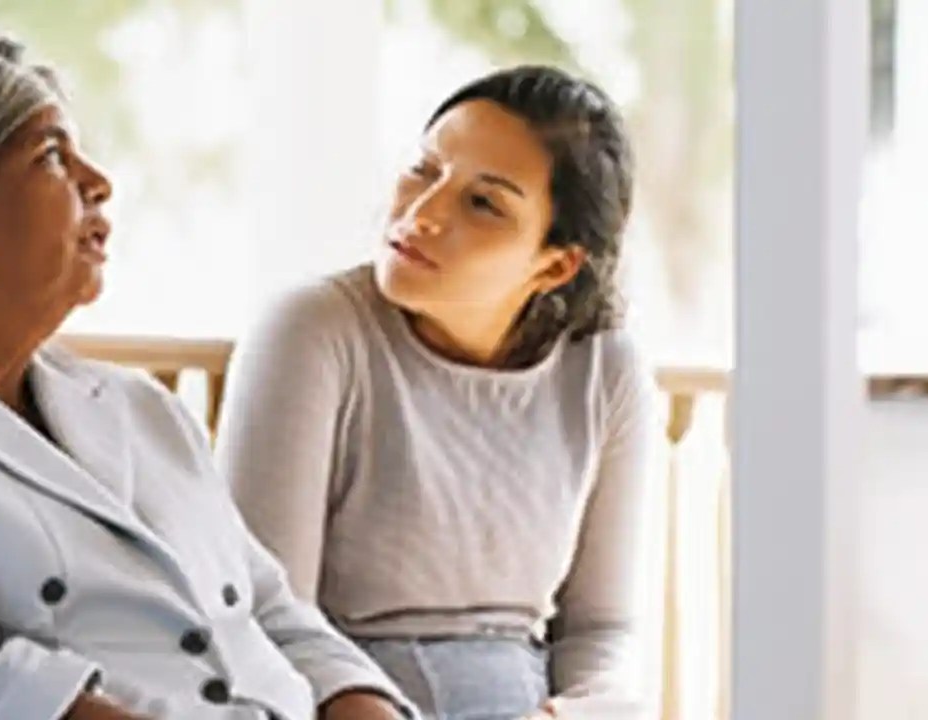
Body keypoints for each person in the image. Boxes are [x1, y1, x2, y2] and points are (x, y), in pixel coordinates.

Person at [0, 24, 412, 720]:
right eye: (51, 157)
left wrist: (363, 704)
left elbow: (272, 614)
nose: (99, 182)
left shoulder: (140, 407)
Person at [216, 66, 658, 720]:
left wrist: (576, 712)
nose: (420, 214)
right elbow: (266, 610)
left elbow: (601, 630)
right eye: (424, 169)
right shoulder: (313, 330)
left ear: (556, 264)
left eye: (483, 203)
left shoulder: (607, 369)